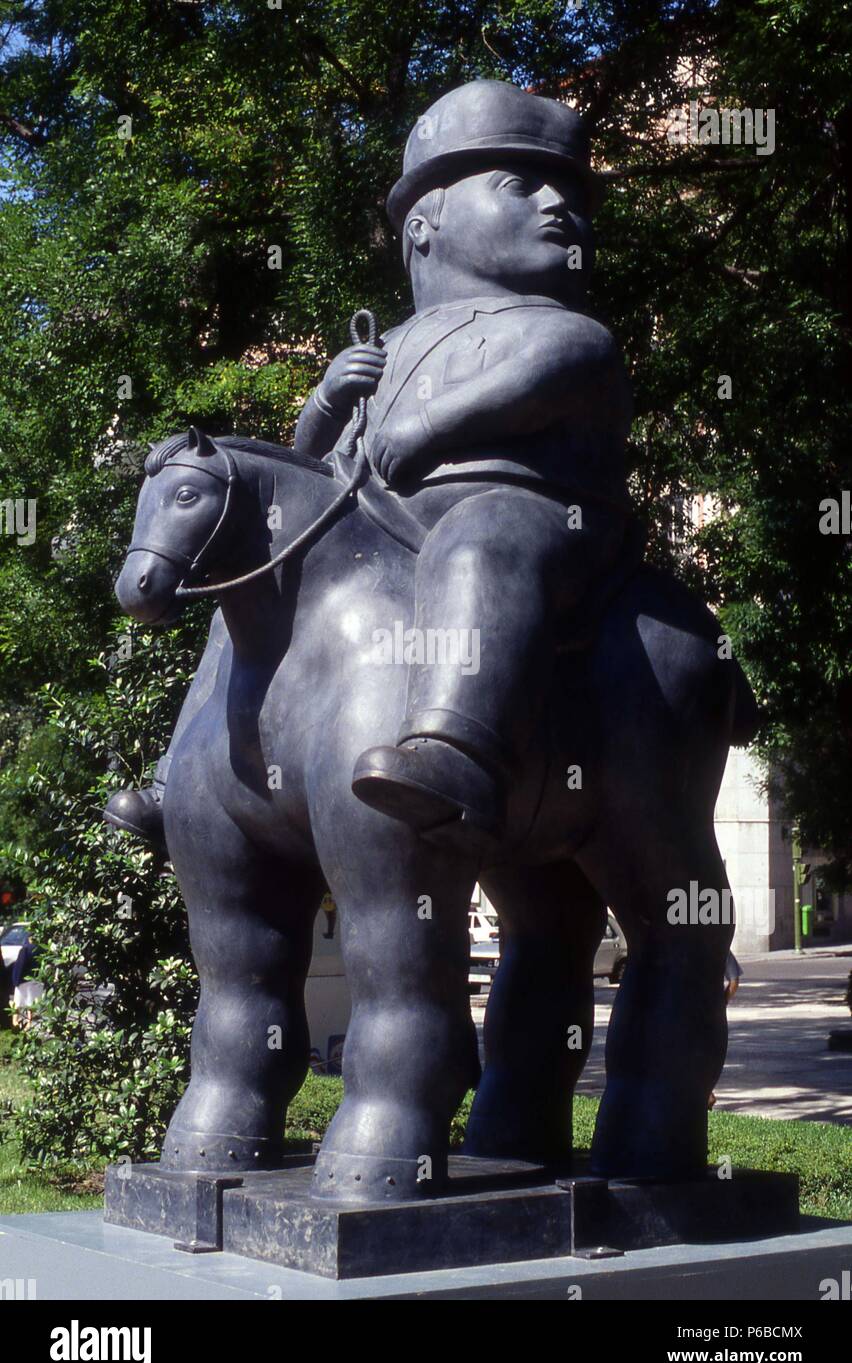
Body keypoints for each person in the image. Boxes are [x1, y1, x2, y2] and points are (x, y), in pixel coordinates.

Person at [105, 79, 639, 858]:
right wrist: (326, 400)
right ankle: (179, 774)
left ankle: (454, 751)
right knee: (263, 578)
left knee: (478, 538)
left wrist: (429, 423)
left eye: (569, 190)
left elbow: (541, 379)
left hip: (546, 522)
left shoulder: (562, 329)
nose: (559, 203)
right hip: (391, 529)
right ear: (425, 226)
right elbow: (314, 463)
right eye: (521, 183)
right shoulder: (386, 346)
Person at [708, 950, 742, 1107]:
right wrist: (723, 1002)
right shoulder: (720, 945)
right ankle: (707, 1092)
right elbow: (734, 982)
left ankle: (706, 1094)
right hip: (713, 1009)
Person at [10, 930, 43, 1029]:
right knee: (31, 1004)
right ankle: (29, 1023)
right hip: (37, 980)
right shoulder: (42, 949)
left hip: (24, 981)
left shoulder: (25, 949)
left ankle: (15, 1022)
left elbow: (20, 966)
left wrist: (15, 980)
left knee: (17, 1003)